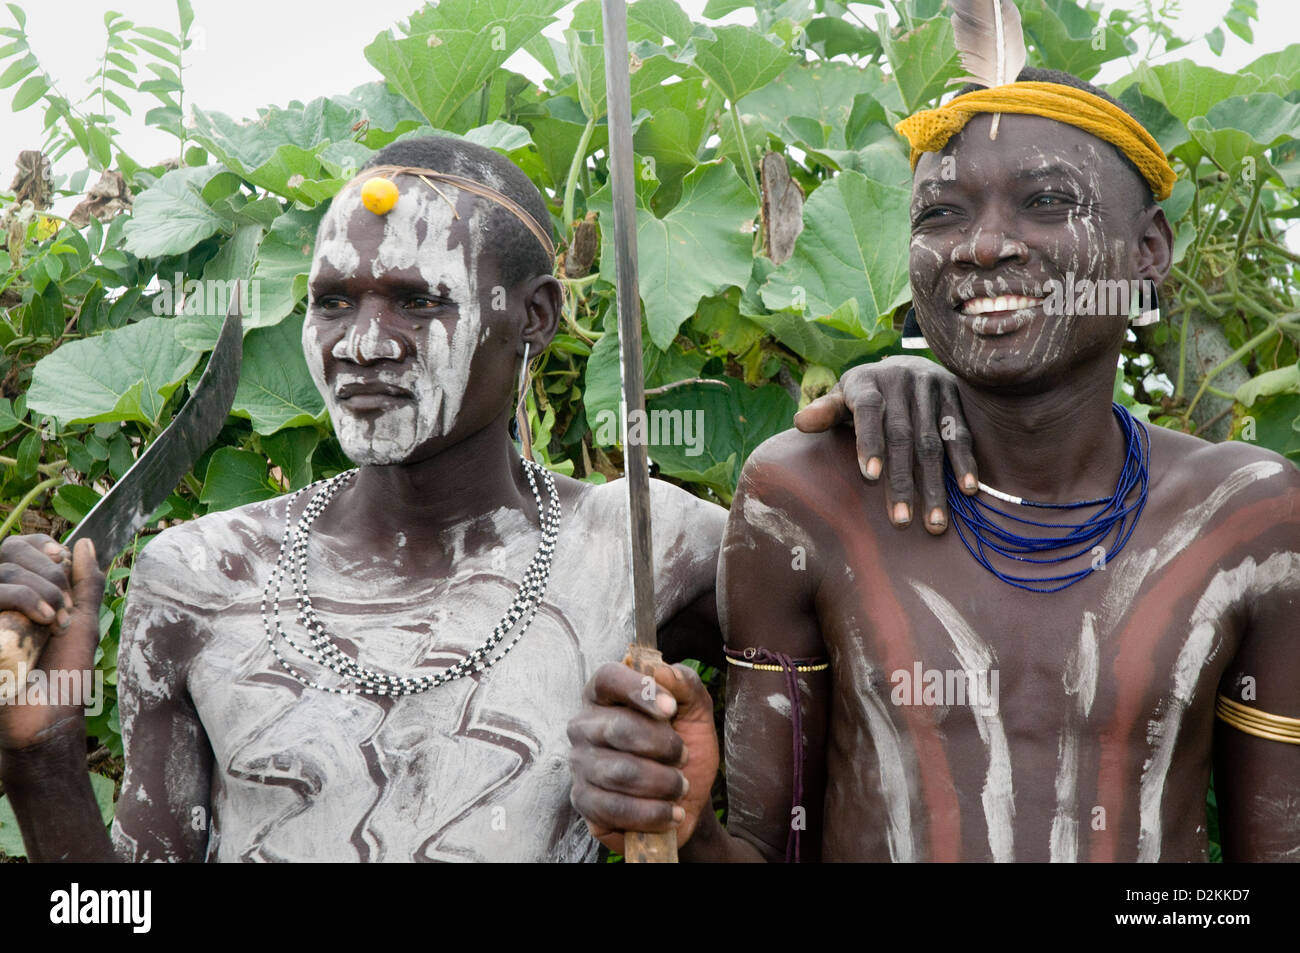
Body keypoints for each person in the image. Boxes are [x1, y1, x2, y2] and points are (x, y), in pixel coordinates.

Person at [0, 135, 968, 862]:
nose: (363, 341)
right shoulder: (201, 575)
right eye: (333, 300)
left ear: (533, 318)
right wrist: (39, 764)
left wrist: (915, 398)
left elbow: (915, 679)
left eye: (418, 300)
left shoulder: (646, 542)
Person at [567, 68, 1300, 863]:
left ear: (1150, 247)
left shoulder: (1245, 517)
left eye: (1047, 202)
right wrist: (686, 824)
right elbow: (767, 852)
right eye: (942, 214)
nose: (984, 244)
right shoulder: (807, 499)